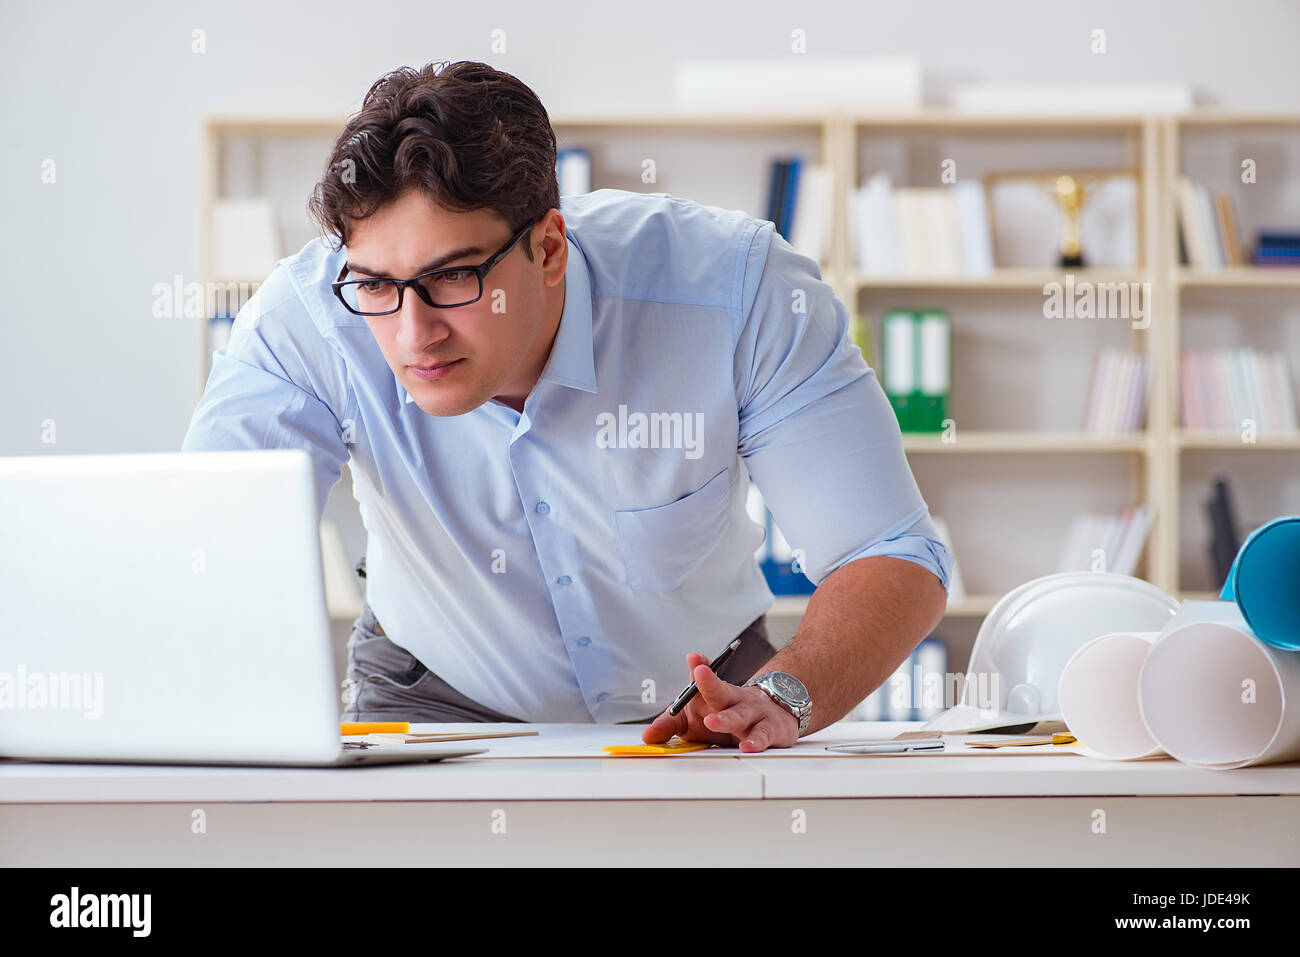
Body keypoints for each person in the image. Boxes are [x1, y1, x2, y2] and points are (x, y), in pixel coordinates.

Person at [182, 60, 951, 753]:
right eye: (377, 285)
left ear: (549, 248)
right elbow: (212, 549)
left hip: (714, 702)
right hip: (431, 688)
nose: (413, 333)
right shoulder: (307, 319)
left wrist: (783, 695)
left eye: (452, 278)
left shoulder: (738, 293)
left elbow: (891, 551)